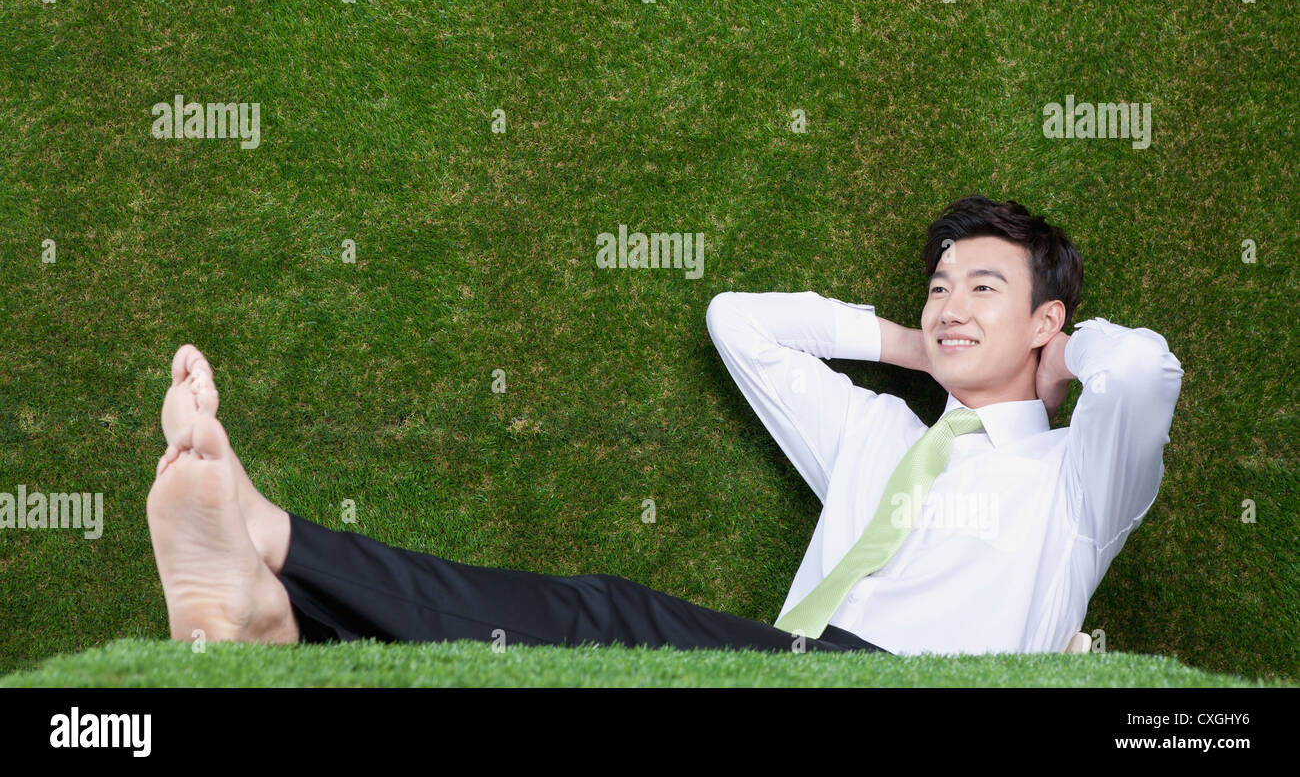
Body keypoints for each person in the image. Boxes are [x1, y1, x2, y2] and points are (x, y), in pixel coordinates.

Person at [146, 195, 1183, 654]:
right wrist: (926, 348)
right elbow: (740, 325)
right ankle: (276, 613)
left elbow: (1139, 368)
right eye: (938, 284)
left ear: (1047, 316)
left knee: (604, 615)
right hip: (776, 664)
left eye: (983, 286)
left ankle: (279, 543)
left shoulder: (1078, 483)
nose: (948, 299)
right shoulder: (877, 436)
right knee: (570, 652)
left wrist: (1060, 355)